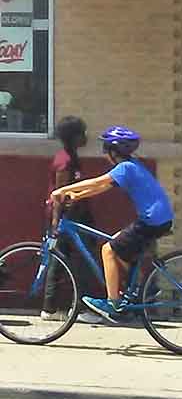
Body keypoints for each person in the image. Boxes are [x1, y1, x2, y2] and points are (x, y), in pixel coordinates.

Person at [50, 125, 173, 324]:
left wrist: (62, 190)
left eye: (105, 149)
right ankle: (142, 288)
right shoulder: (132, 165)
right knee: (118, 244)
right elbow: (103, 187)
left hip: (151, 220)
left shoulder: (125, 168)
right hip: (158, 219)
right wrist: (77, 195)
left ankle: (113, 303)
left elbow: (97, 182)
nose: (104, 153)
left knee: (107, 250)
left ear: (114, 152)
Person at [42, 115, 101, 324]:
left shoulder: (72, 157)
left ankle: (51, 308)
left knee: (63, 262)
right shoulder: (65, 161)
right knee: (81, 261)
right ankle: (80, 309)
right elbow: (60, 194)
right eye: (82, 133)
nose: (86, 137)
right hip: (67, 219)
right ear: (74, 137)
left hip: (76, 217)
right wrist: (56, 224)